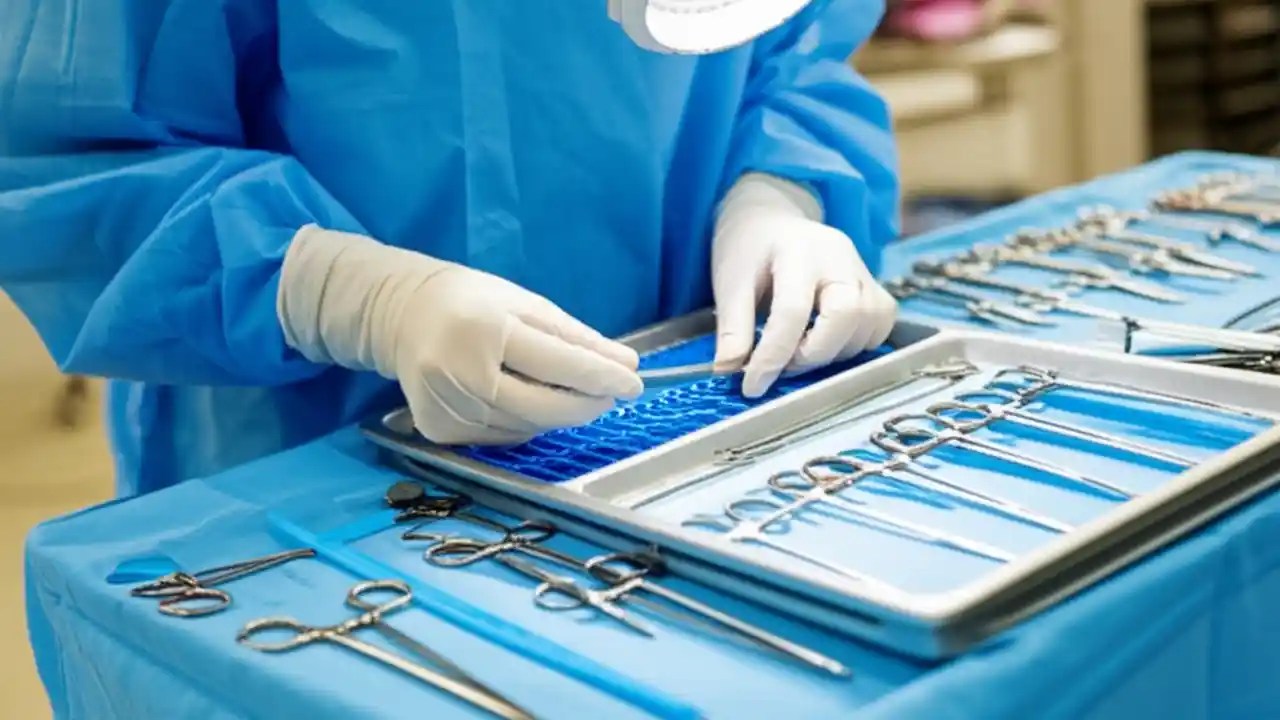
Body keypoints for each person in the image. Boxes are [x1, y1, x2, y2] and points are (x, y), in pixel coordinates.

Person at [0, 0, 899, 497]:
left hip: (684, 428)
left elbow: (792, 53)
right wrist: (347, 294)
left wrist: (783, 190)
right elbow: (66, 159)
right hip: (314, 452)